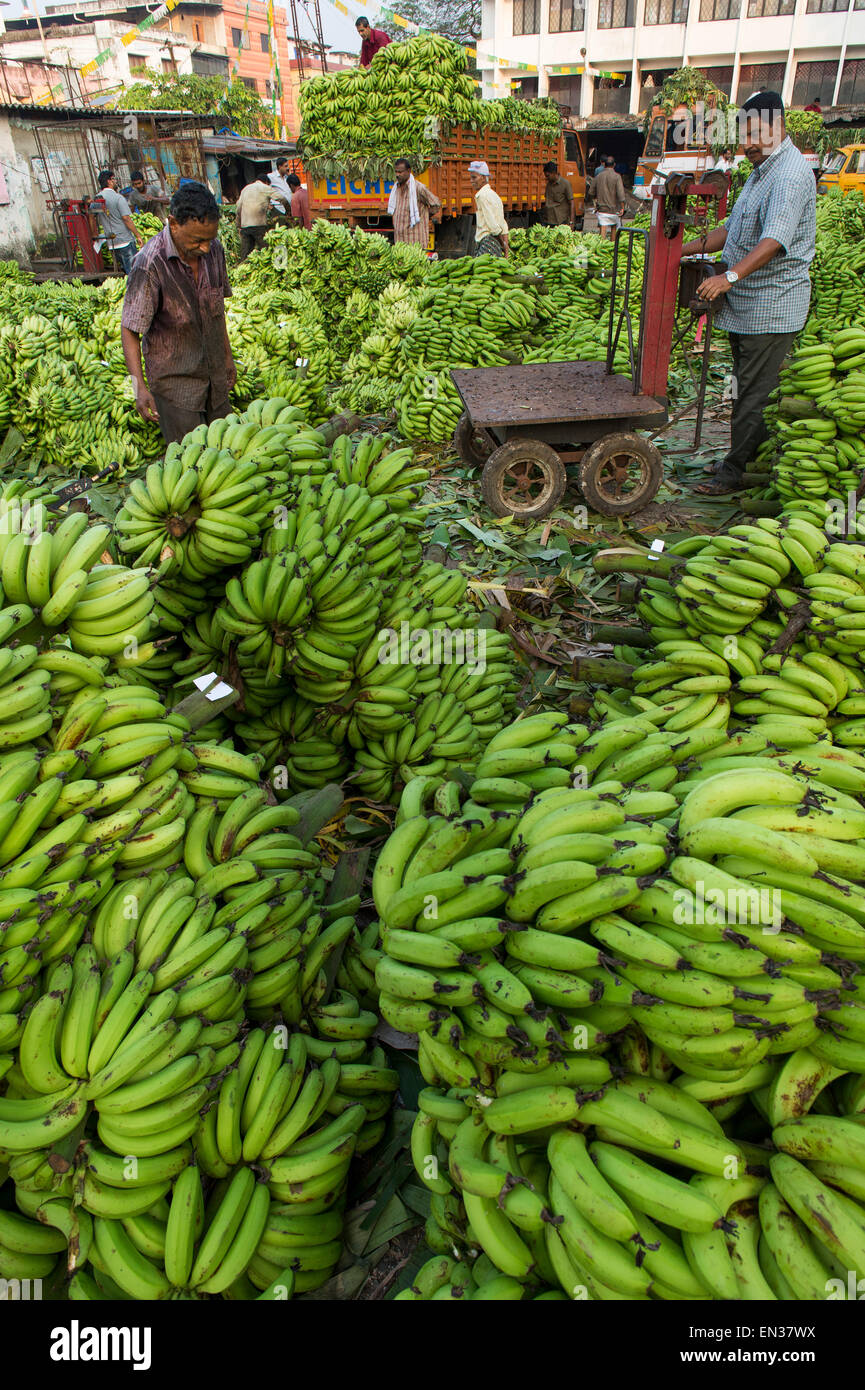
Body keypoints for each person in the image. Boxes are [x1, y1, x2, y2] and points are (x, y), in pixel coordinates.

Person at [686, 91, 816, 496]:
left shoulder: (790, 175)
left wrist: (731, 277)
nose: (748, 145)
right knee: (744, 388)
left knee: (753, 395)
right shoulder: (761, 171)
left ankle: (736, 473)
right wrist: (682, 248)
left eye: (757, 135)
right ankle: (743, 457)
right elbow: (733, 226)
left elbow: (775, 238)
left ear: (779, 128)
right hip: (748, 308)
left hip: (771, 307)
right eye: (745, 136)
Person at [120, 181, 236, 446]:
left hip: (215, 381)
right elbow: (129, 329)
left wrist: (227, 358)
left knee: (227, 454)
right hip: (177, 389)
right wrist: (139, 388)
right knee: (192, 463)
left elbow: (217, 313)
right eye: (197, 240)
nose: (205, 248)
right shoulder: (150, 263)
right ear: (173, 224)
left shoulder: (214, 251)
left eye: (209, 239)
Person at [90, 169, 143, 276]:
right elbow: (126, 218)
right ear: (109, 181)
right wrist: (138, 235)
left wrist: (94, 234)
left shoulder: (97, 199)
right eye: (113, 179)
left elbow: (91, 216)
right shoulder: (118, 198)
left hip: (112, 243)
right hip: (125, 241)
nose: (115, 182)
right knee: (135, 273)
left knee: (126, 272)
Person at [235, 173, 290, 260]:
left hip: (245, 226)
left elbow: (238, 208)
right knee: (266, 252)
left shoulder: (245, 189)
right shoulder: (265, 187)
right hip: (258, 225)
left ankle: (242, 270)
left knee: (245, 255)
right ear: (266, 182)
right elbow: (282, 198)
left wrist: (238, 224)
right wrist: (288, 211)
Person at [388, 158, 441, 246]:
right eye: (396, 172)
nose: (397, 175)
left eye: (400, 172)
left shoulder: (418, 188)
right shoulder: (395, 189)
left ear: (409, 171)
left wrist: (424, 215)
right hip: (400, 240)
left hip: (415, 240)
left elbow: (436, 204)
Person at [468, 160, 509, 258]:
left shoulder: (482, 196)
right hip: (495, 242)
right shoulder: (494, 195)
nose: (471, 181)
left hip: (487, 242)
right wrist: (504, 244)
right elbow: (503, 224)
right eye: (471, 177)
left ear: (482, 178)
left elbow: (493, 226)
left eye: (474, 177)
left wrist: (503, 244)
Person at [593, 156, 625, 240]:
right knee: (614, 227)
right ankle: (613, 247)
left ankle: (601, 246)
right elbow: (621, 194)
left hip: (602, 210)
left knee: (603, 228)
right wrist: (622, 207)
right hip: (614, 210)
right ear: (614, 165)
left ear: (604, 165)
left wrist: (596, 200)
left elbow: (591, 192)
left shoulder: (598, 176)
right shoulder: (617, 177)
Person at [542, 161, 574, 227]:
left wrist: (571, 222)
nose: (546, 178)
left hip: (561, 221)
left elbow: (572, 203)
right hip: (548, 220)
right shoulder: (548, 185)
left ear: (554, 173)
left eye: (548, 176)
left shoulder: (565, 184)